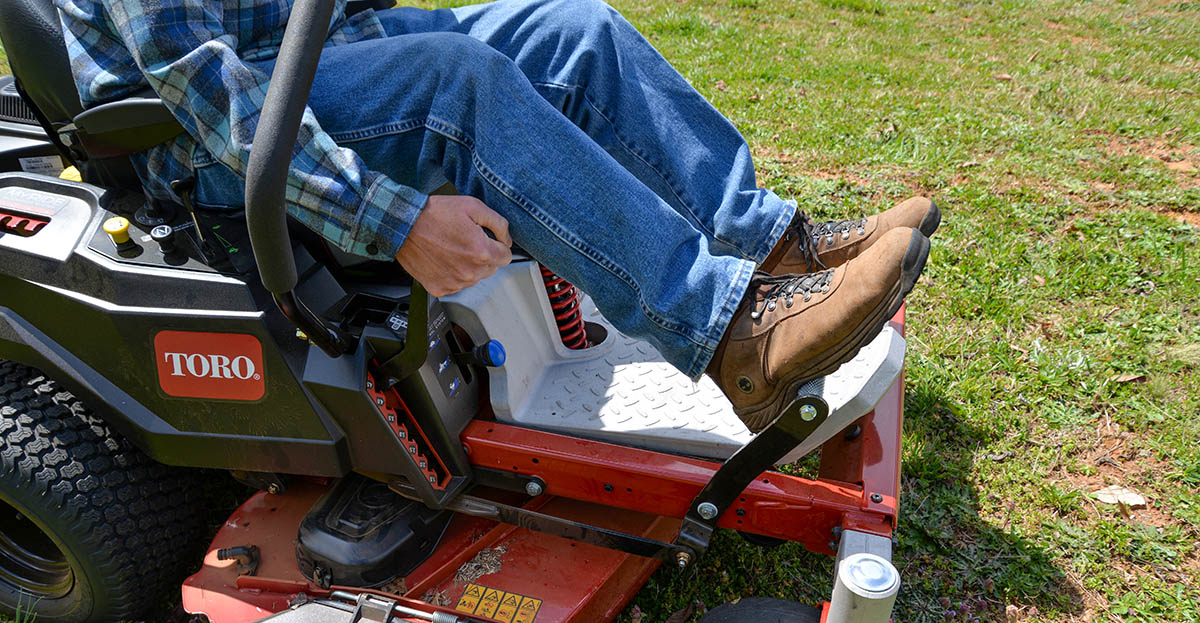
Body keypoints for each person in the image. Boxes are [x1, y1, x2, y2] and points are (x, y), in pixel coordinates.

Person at [55, 0, 939, 432]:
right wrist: (393, 218)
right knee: (456, 80)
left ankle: (772, 251)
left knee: (575, 30)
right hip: (211, 127)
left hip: (315, 49)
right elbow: (209, 86)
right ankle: (731, 335)